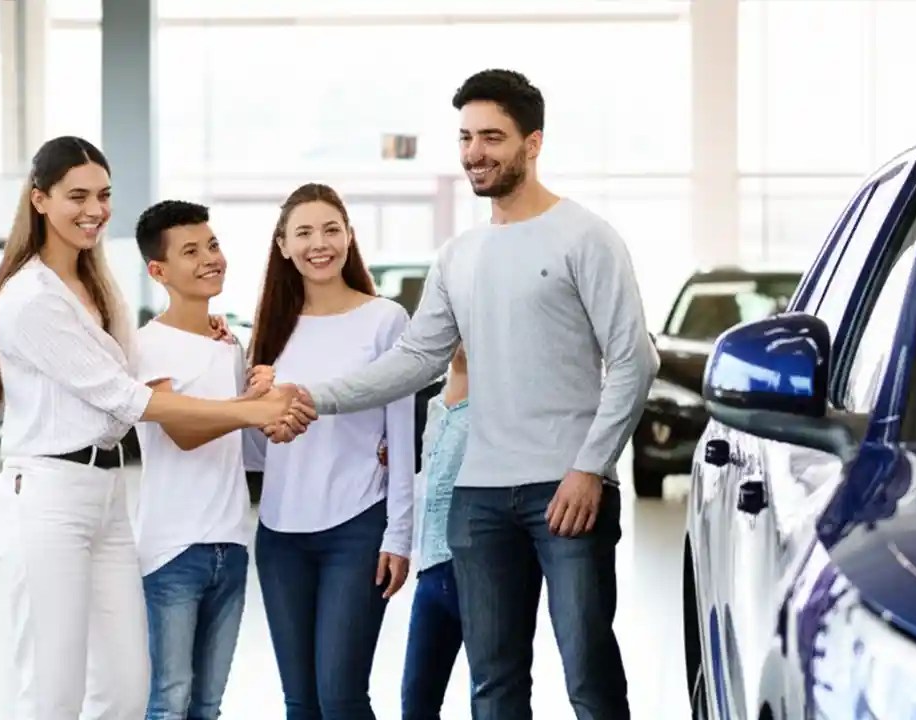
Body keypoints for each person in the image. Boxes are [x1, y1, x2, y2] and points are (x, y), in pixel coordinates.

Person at [294, 69, 660, 720]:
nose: (474, 153)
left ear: (533, 142)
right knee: (492, 685)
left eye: (492, 136)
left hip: (567, 491)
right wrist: (312, 397)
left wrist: (590, 467)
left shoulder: (585, 236)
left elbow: (635, 359)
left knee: (589, 675)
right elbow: (414, 360)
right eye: (465, 137)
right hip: (479, 498)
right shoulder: (459, 255)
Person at [0, 136, 313, 720]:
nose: (94, 209)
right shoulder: (31, 297)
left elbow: (143, 368)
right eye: (77, 195)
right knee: (53, 691)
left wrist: (209, 338)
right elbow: (128, 398)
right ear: (40, 200)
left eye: (102, 195)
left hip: (106, 495)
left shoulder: (101, 288)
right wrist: (251, 410)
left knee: (127, 689)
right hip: (46, 494)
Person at [247, 182, 416, 720]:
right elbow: (256, 450)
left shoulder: (386, 320)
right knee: (301, 703)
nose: (319, 243)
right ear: (282, 245)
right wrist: (251, 402)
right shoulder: (270, 331)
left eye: (330, 229)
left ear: (349, 237)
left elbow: (404, 437)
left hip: (358, 526)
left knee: (341, 698)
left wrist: (400, 534)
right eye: (303, 232)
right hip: (279, 534)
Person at [131, 199, 267, 720]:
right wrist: (255, 408)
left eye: (212, 245)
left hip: (232, 543)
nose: (210, 258)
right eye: (190, 251)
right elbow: (185, 431)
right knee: (170, 700)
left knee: (208, 705)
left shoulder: (227, 344)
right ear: (158, 271)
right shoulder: (147, 345)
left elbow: (241, 438)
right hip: (171, 551)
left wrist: (258, 392)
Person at [401, 345, 470, 720]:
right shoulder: (432, 402)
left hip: (475, 567)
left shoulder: (499, 404)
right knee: (416, 702)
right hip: (430, 570)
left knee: (490, 694)